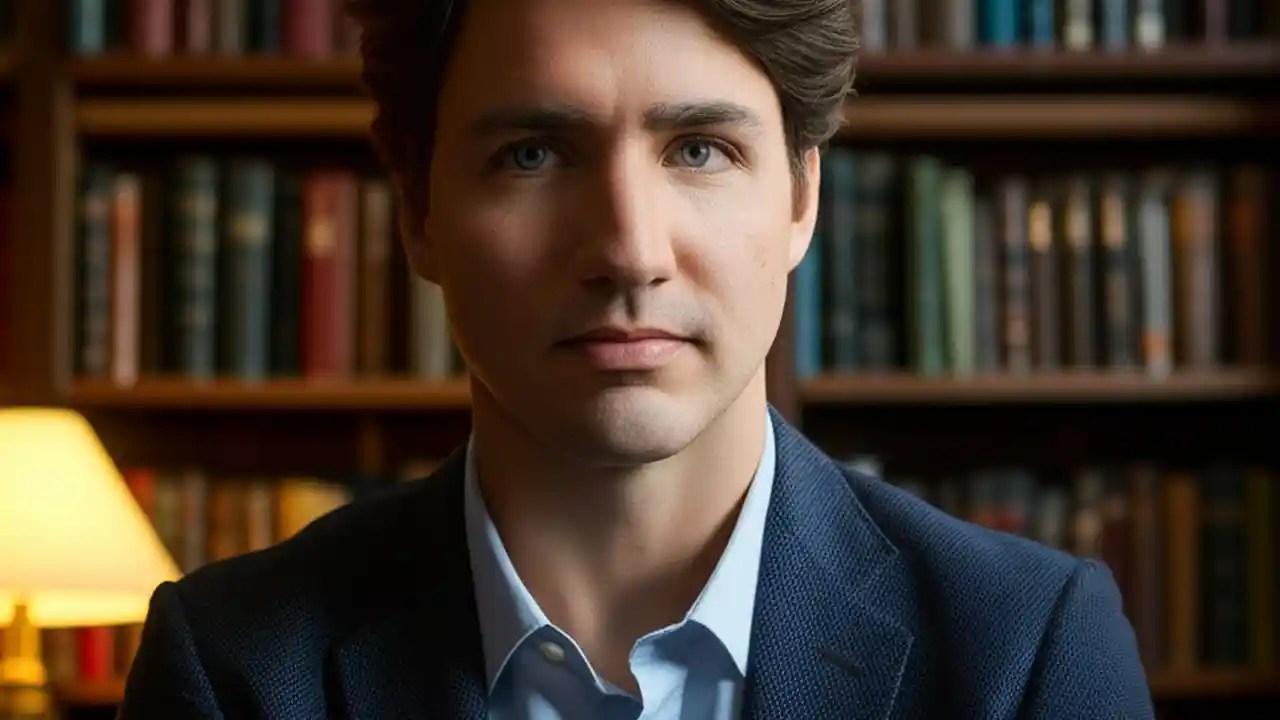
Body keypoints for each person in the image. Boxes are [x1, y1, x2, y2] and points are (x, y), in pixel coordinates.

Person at [119, 0, 1154, 717]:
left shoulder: (1023, 653)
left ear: (802, 198)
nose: (628, 249)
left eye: (699, 149)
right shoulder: (237, 669)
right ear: (417, 216)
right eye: (532, 154)